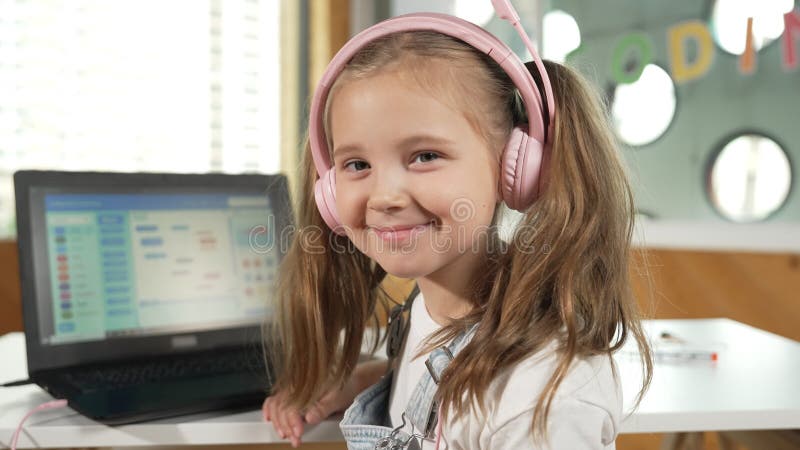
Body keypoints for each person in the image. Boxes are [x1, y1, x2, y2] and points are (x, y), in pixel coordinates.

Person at [263, 1, 653, 448]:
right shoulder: (427, 309)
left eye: (425, 156)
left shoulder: (539, 395)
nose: (386, 196)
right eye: (356, 164)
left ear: (516, 166)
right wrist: (358, 384)